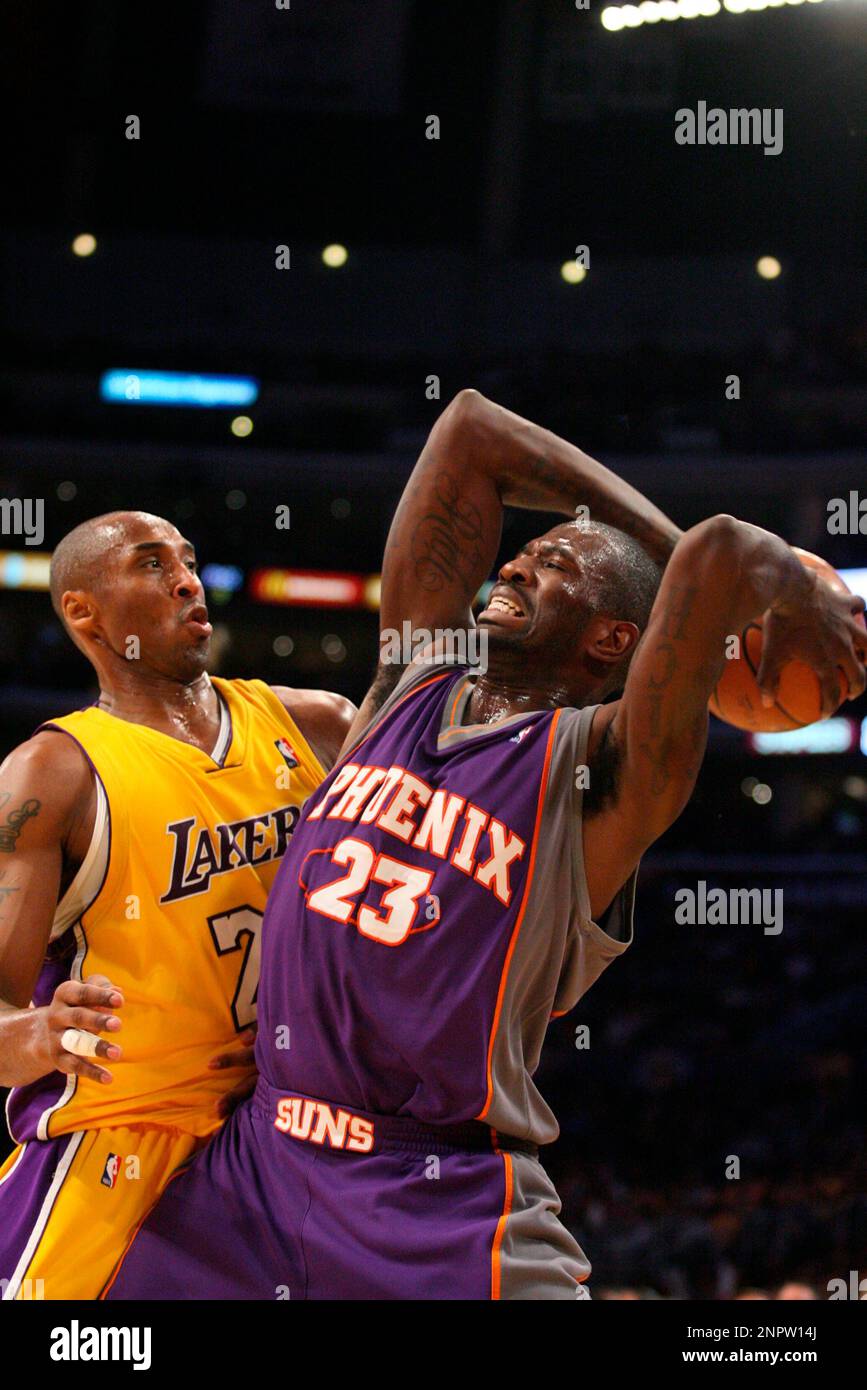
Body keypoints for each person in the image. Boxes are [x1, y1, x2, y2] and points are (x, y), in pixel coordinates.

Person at [103, 392, 865, 1300]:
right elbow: (468, 429)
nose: (518, 560)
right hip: (254, 1168)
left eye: (555, 567)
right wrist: (721, 573)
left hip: (434, 1201)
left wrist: (774, 577)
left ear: (612, 638)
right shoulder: (406, 686)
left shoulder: (605, 770)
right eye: (529, 548)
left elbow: (721, 547)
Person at [0, 510, 355, 1299]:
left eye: (189, 562)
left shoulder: (321, 728)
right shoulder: (52, 776)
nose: (188, 580)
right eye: (152, 565)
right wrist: (39, 1032)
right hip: (127, 1142)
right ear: (84, 612)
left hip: (296, 1126)